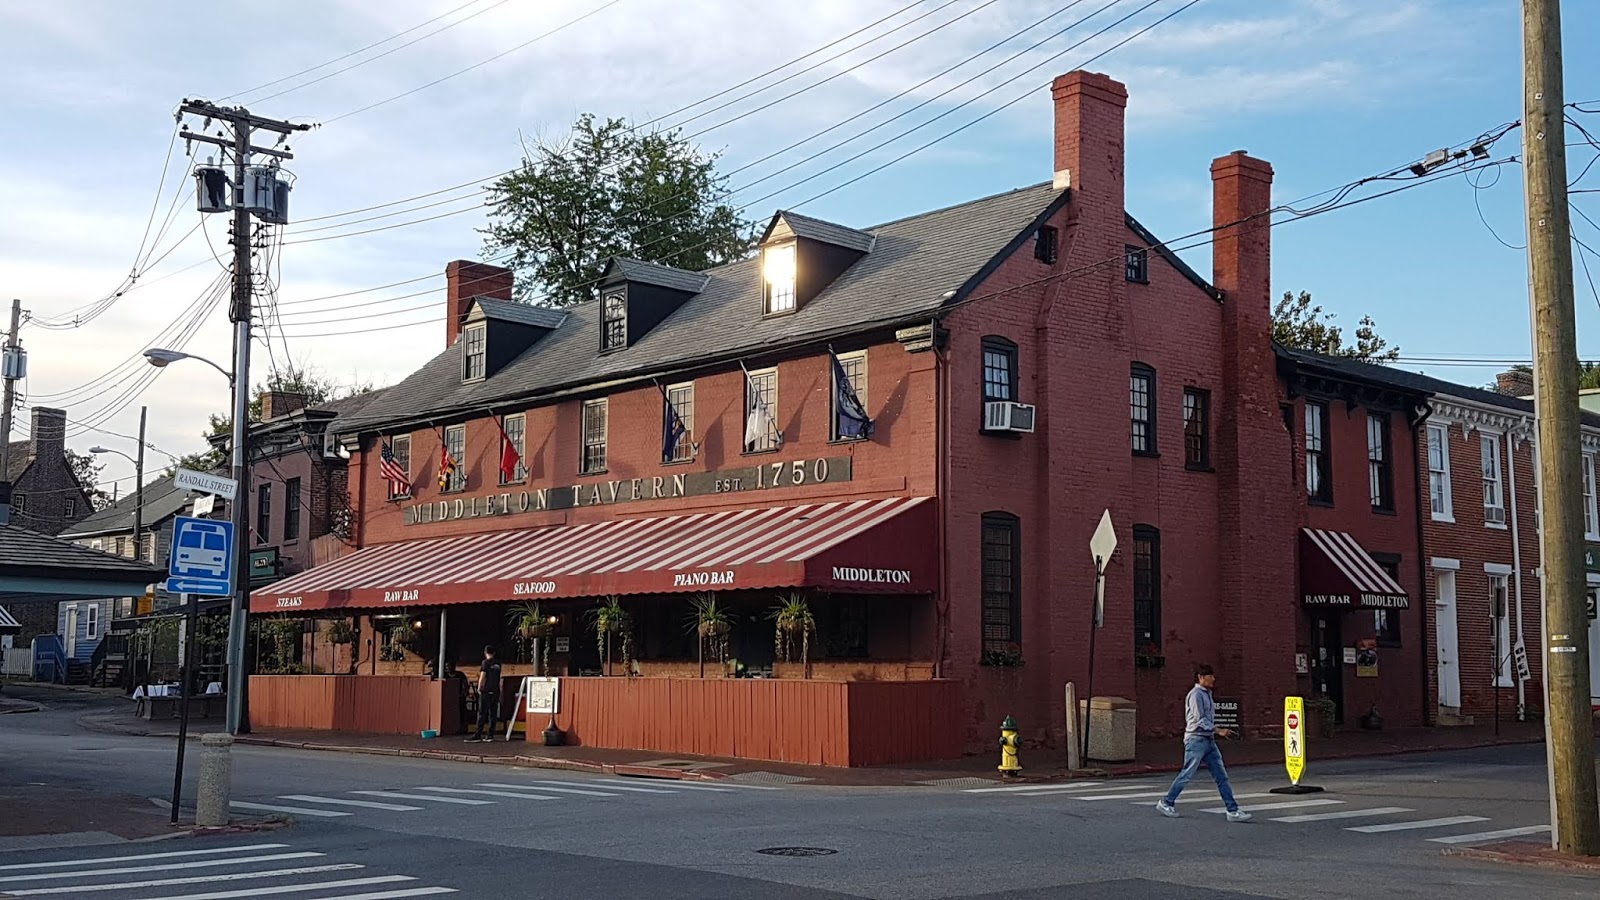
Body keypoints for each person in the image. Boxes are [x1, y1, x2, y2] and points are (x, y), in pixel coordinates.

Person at [1156, 664, 1251, 822]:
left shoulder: (1207, 694)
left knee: (1221, 776)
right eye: (1210, 676)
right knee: (1187, 773)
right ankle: (1166, 802)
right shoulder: (1195, 695)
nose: (1213, 679)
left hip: (1208, 740)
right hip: (1196, 739)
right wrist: (1219, 730)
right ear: (1201, 677)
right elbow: (1199, 719)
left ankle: (1232, 810)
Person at [467, 645, 503, 742]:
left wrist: (479, 688)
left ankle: (478, 734)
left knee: (482, 713)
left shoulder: (485, 663)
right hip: (495, 690)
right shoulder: (498, 664)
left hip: (486, 690)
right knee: (493, 713)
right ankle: (490, 735)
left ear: (485, 652)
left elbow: (483, 676)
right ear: (494, 653)